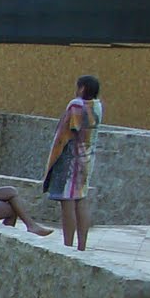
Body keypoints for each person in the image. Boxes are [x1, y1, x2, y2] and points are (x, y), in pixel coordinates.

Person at [43, 74, 103, 251]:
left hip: (71, 160)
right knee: (81, 199)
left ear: (82, 88)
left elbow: (64, 133)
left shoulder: (76, 105)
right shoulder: (97, 106)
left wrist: (52, 160)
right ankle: (82, 246)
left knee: (67, 201)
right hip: (87, 158)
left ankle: (67, 246)